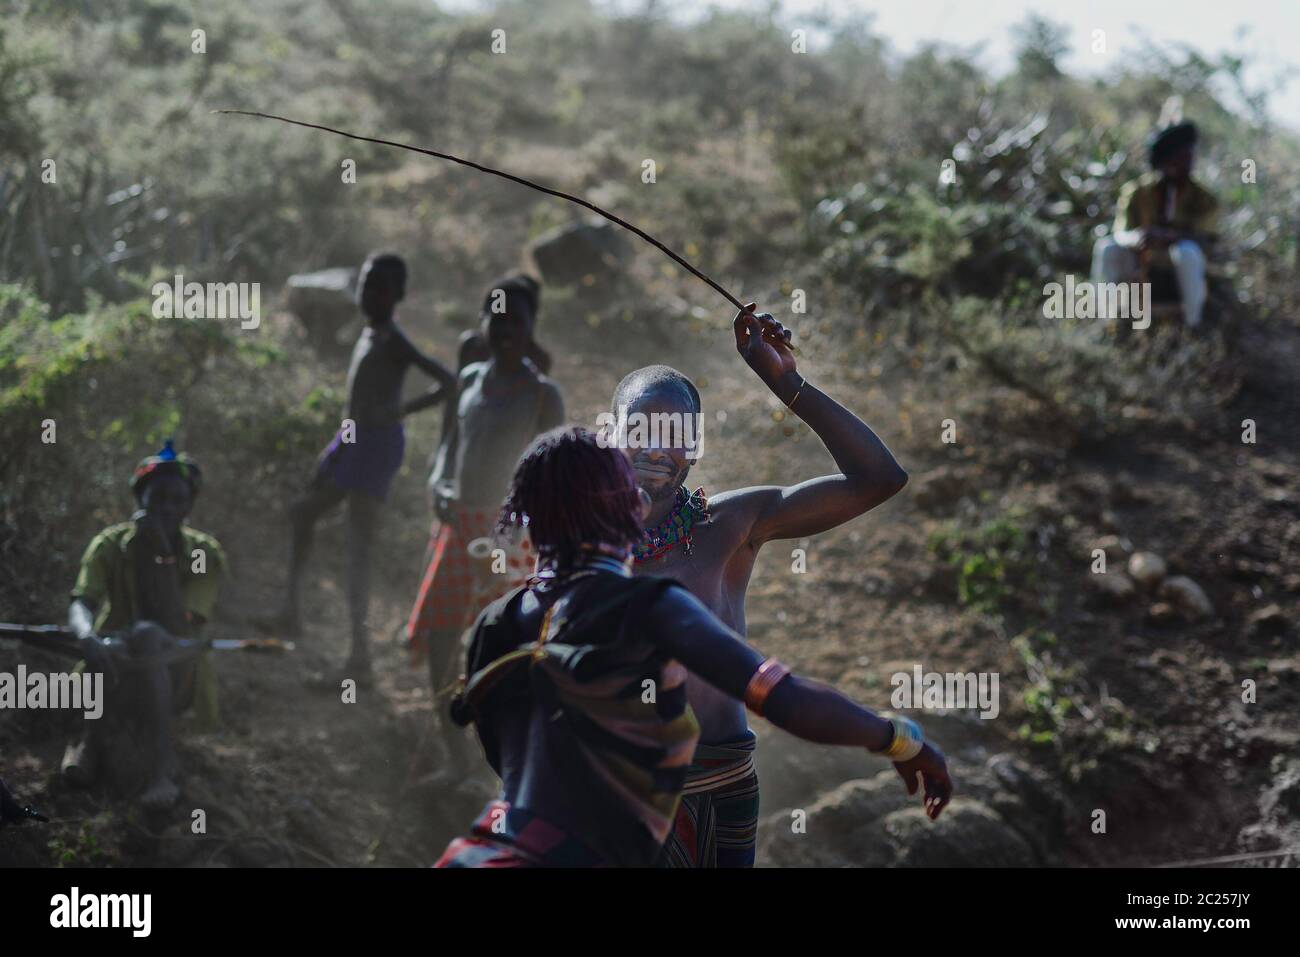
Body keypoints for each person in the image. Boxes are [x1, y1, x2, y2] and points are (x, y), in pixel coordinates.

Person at [435, 427, 949, 867]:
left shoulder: (493, 623)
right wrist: (902, 739)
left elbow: (507, 761)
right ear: (628, 508)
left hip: (487, 851)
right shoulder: (649, 605)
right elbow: (785, 700)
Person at [606, 305, 909, 867]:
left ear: (694, 449)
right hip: (622, 792)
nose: (652, 447)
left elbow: (879, 479)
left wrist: (788, 384)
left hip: (724, 785)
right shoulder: (581, 546)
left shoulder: (729, 527)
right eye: (637, 430)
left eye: (671, 434)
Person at [268, 252, 455, 684]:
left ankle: (359, 659)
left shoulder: (393, 339)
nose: (370, 295)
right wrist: (334, 449)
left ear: (399, 295)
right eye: (366, 285)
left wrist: (402, 409)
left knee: (358, 548)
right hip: (353, 439)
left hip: (377, 446)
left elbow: (448, 381)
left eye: (381, 288)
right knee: (302, 513)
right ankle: (290, 613)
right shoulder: (369, 332)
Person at [407, 274, 564, 695]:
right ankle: (454, 755)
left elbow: (552, 476)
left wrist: (519, 530)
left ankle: (491, 749)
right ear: (481, 323)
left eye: (516, 319)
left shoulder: (543, 395)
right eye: (496, 317)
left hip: (512, 535)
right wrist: (439, 483)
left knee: (504, 644)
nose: (505, 328)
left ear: (531, 328)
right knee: (442, 635)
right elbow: (448, 445)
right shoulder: (470, 381)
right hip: (458, 527)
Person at [61, 441, 227, 809]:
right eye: (158, 498)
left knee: (150, 637)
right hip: (112, 664)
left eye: (177, 500)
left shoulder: (203, 554)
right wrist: (87, 636)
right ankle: (90, 740)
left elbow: (183, 623)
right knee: (111, 643)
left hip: (175, 670)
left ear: (189, 505)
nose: (168, 507)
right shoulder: (110, 544)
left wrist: (162, 554)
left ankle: (161, 768)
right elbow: (81, 602)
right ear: (141, 500)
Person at [1091, 121, 1218, 329]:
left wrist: (1169, 237)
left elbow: (1208, 238)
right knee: (1107, 248)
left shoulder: (1204, 199)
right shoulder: (1137, 192)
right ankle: (1107, 323)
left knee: (1187, 252)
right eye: (1178, 157)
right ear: (1163, 160)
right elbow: (1120, 232)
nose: (1184, 164)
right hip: (1141, 260)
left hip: (1180, 267)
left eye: (1188, 157)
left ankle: (1194, 325)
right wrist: (1138, 237)